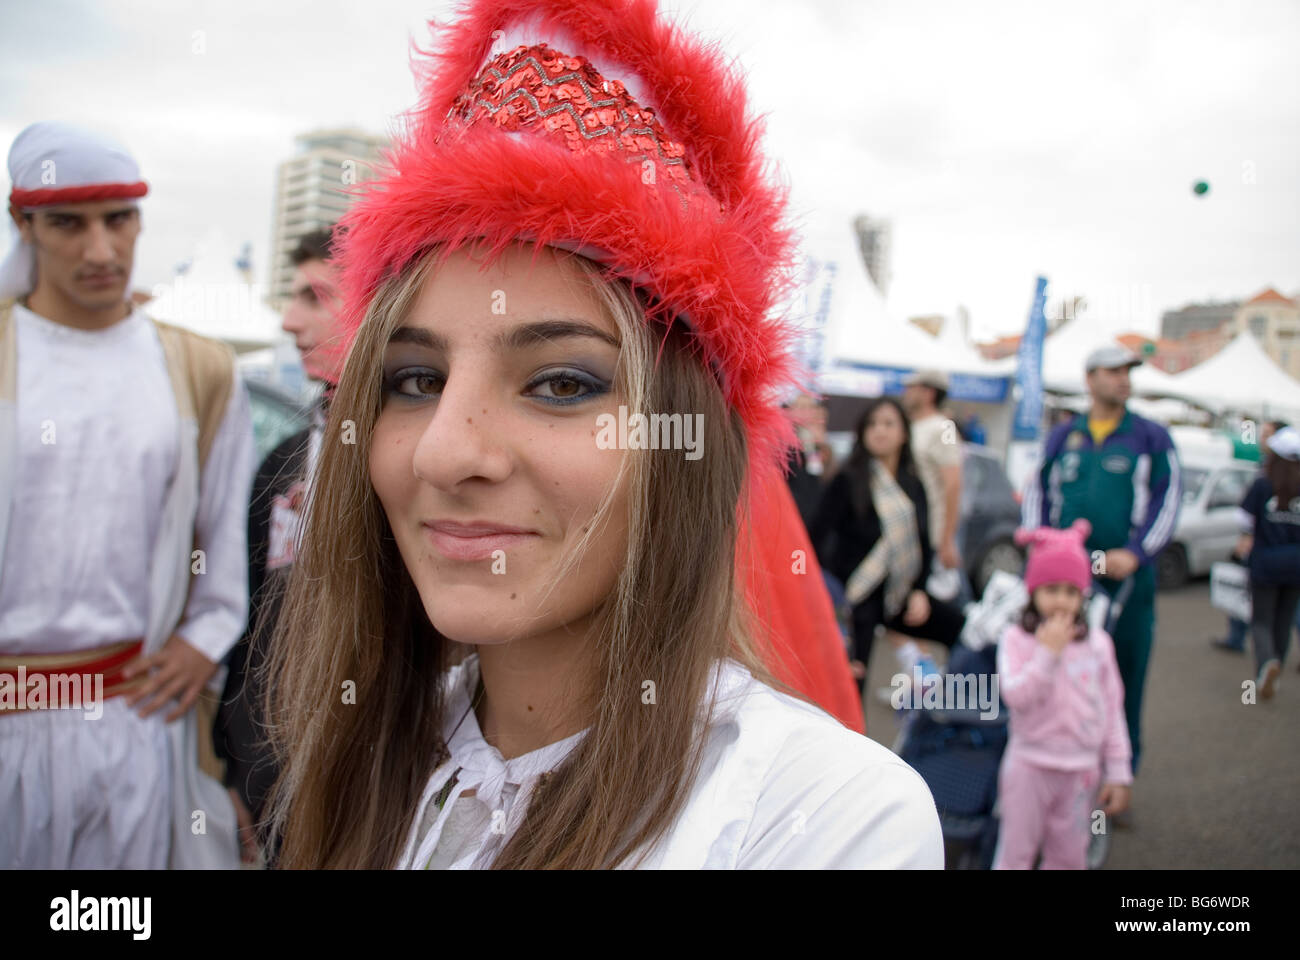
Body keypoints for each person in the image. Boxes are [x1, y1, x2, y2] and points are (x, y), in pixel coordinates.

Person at [259, 0, 941, 869]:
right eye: (415, 381)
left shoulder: (825, 818)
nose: (443, 451)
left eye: (561, 384)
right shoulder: (363, 748)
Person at [0, 122, 254, 867]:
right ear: (26, 224)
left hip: (132, 719)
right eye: (68, 223)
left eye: (118, 219)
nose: (101, 250)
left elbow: (218, 539)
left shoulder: (197, 368)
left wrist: (201, 641)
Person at [214, 226, 347, 863]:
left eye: (315, 297)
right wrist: (237, 770)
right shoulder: (285, 459)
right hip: (271, 790)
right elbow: (250, 626)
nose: (291, 320)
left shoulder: (424, 466)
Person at [1021, 344, 1180, 797]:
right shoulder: (1063, 436)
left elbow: (1168, 500)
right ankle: (1052, 774)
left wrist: (1137, 551)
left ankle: (1117, 779)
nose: (1123, 379)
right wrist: (1038, 546)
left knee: (1122, 680)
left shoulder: (1151, 436)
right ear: (1090, 380)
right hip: (1063, 585)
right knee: (1052, 668)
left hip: (1128, 583)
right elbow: (1036, 492)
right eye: (1112, 371)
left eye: (1128, 371)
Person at [993, 520, 1132, 869]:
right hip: (1029, 765)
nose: (1061, 601)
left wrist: (1118, 771)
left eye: (1071, 592)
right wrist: (1047, 654)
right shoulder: (1015, 640)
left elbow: (1112, 710)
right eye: (1051, 589)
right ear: (1033, 592)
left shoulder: (1098, 645)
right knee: (1015, 853)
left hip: (1081, 771)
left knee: (1069, 856)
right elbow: (1016, 697)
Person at [809, 397, 966, 694]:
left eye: (888, 423)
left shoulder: (913, 483)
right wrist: (824, 596)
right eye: (872, 424)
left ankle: (942, 712)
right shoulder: (848, 479)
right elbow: (814, 537)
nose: (879, 431)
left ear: (904, 433)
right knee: (853, 683)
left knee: (961, 628)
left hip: (898, 594)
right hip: (855, 596)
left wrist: (919, 589)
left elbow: (924, 541)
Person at [1211, 419, 1284, 654]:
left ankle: (1261, 656)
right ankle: (1239, 637)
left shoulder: (1269, 474)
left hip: (1265, 553)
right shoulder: (1270, 468)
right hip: (1284, 553)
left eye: (1267, 435)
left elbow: (1247, 514)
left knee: (1259, 606)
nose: (1261, 439)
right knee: (1285, 607)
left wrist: (1246, 537)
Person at [1238, 426, 1300, 698]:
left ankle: (1266, 664)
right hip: (1296, 564)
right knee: (1284, 621)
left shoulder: (1263, 482)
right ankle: (1275, 671)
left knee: (1261, 620)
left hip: (1265, 562)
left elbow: (1242, 519)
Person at [902, 369, 964, 574]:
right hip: (910, 530)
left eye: (913, 388)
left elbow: (953, 483)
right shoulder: (908, 426)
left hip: (931, 534)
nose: (906, 392)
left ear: (929, 393)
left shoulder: (944, 428)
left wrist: (947, 539)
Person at [784, 392, 833, 531]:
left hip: (815, 515)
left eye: (809, 407)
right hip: (791, 514)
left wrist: (823, 446)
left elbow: (824, 477)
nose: (805, 413)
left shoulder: (817, 443)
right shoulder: (782, 443)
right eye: (800, 407)